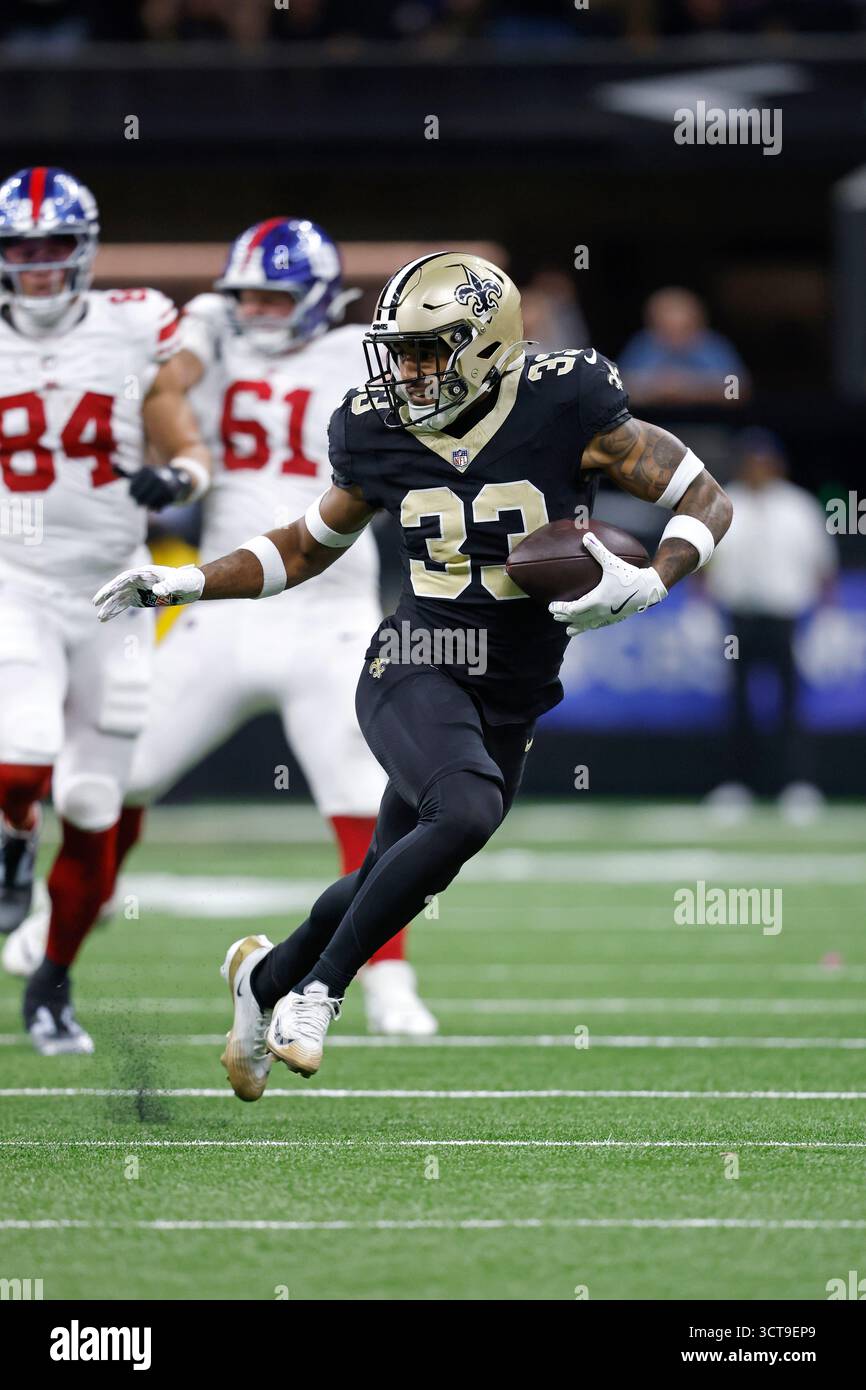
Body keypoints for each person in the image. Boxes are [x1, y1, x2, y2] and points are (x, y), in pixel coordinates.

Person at [94, 250, 732, 1099]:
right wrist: (188, 580)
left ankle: (261, 980)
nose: (409, 369)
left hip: (517, 682)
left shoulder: (569, 399)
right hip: (419, 657)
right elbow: (304, 546)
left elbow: (705, 500)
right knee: (463, 808)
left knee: (396, 866)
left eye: (431, 349)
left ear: (487, 345)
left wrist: (653, 578)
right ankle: (320, 991)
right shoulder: (375, 426)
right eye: (402, 349)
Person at [5, 216, 437, 1037]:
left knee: (360, 799)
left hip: (330, 612)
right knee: (113, 781)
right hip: (223, 604)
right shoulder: (210, 336)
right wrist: (204, 328)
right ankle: (71, 920)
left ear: (320, 298)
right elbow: (165, 387)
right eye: (250, 296)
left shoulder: (361, 356)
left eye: (279, 296)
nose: (262, 312)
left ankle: (389, 979)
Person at [0, 165, 211, 1053]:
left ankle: (51, 985)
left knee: (93, 802)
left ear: (83, 253)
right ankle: (12, 849)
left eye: (55, 248)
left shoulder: (133, 324)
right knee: (23, 752)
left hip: (116, 588)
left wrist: (185, 476)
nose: (40, 266)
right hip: (13, 576)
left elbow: (178, 427)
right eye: (23, 249)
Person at [703, 427, 837, 820]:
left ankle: (797, 785)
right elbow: (703, 563)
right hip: (738, 618)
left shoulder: (799, 507)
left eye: (764, 461)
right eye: (751, 462)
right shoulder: (722, 503)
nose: (758, 469)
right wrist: (701, 612)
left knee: (791, 706)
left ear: (777, 465)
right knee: (738, 705)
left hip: (786, 618)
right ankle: (736, 785)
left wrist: (826, 619)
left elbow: (822, 569)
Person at [618, 286, 748, 407]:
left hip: (708, 425)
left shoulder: (714, 346)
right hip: (651, 426)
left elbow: (736, 391)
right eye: (665, 330)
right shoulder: (642, 345)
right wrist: (657, 388)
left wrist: (692, 387)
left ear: (698, 322)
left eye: (684, 329)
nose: (675, 338)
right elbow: (616, 390)